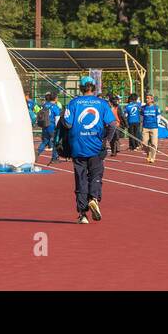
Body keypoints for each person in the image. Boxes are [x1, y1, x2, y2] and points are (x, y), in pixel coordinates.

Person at [60, 76, 116, 224]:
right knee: (96, 175)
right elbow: (112, 124)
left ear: (81, 88)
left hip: (77, 146)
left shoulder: (73, 103)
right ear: (94, 87)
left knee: (81, 179)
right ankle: (94, 198)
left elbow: (67, 124)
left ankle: (83, 214)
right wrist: (106, 139)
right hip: (96, 146)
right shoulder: (102, 104)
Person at [36, 92, 62, 163]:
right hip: (52, 126)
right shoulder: (55, 107)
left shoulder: (45, 105)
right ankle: (54, 158)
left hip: (45, 125)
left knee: (45, 141)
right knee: (55, 142)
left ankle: (37, 152)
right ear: (55, 98)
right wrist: (58, 128)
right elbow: (57, 119)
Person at [140, 93, 161, 163]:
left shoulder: (156, 107)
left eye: (148, 98)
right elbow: (141, 117)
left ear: (152, 99)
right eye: (146, 98)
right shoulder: (143, 108)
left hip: (154, 127)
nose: (147, 99)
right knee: (144, 143)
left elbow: (158, 117)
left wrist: (156, 124)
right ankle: (148, 153)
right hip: (145, 127)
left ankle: (152, 157)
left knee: (154, 143)